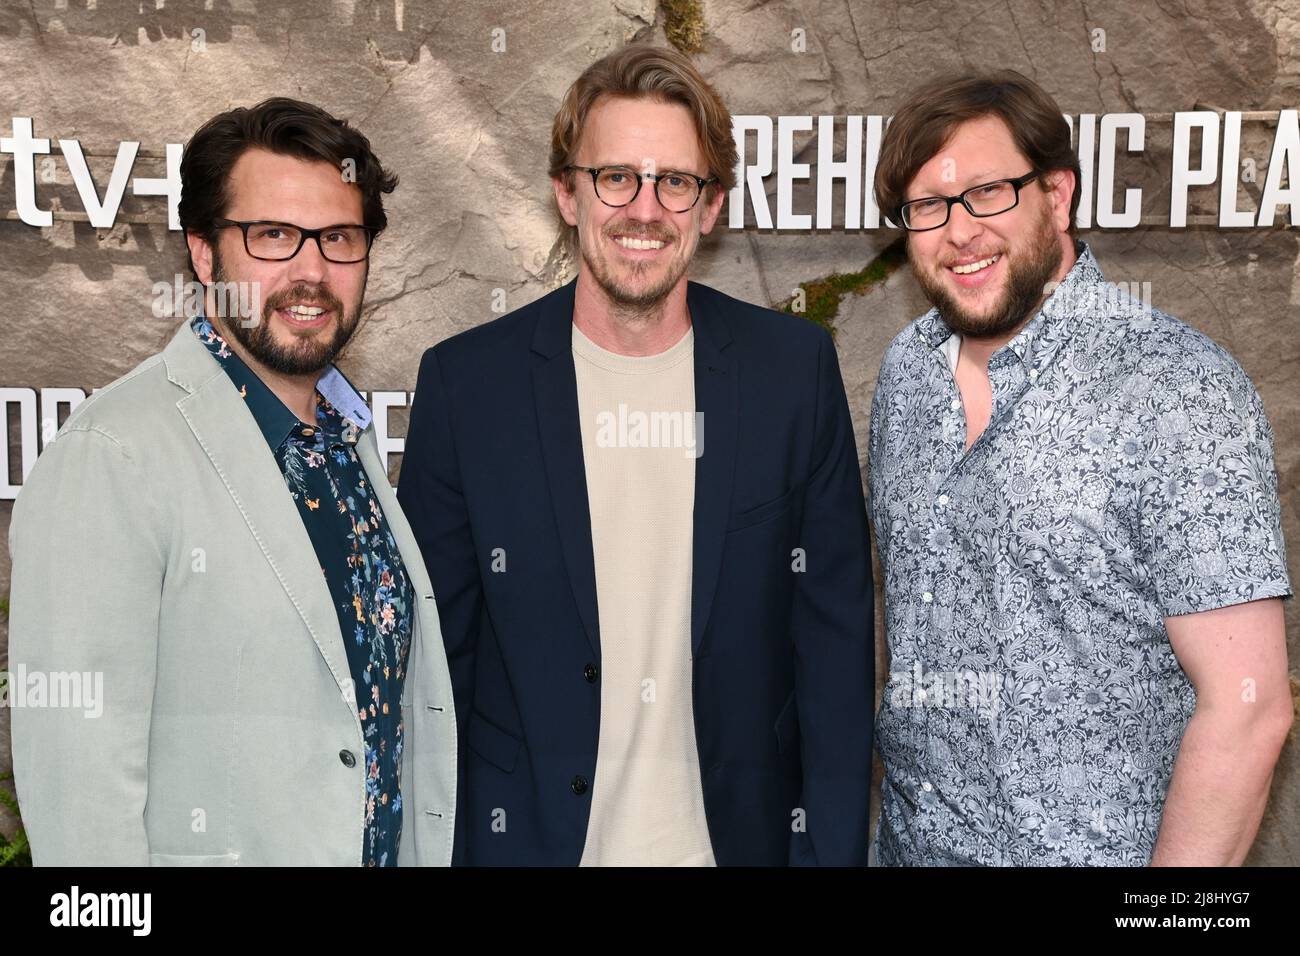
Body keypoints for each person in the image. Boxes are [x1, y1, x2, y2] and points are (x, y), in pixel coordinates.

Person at [398, 45, 874, 865]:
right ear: (567, 193)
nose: (644, 209)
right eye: (616, 177)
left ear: (711, 205)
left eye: (675, 182)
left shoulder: (791, 373)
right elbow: (437, 664)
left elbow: (832, 654)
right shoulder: (466, 386)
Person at [7, 98, 455, 866]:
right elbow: (82, 821)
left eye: (339, 238)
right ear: (206, 254)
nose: (311, 270)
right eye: (273, 236)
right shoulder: (112, 455)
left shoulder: (349, 448)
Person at [869, 70, 1293, 866]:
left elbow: (1250, 709)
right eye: (928, 205)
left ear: (1057, 195)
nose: (959, 231)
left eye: (989, 192)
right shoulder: (906, 372)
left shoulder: (1176, 387)